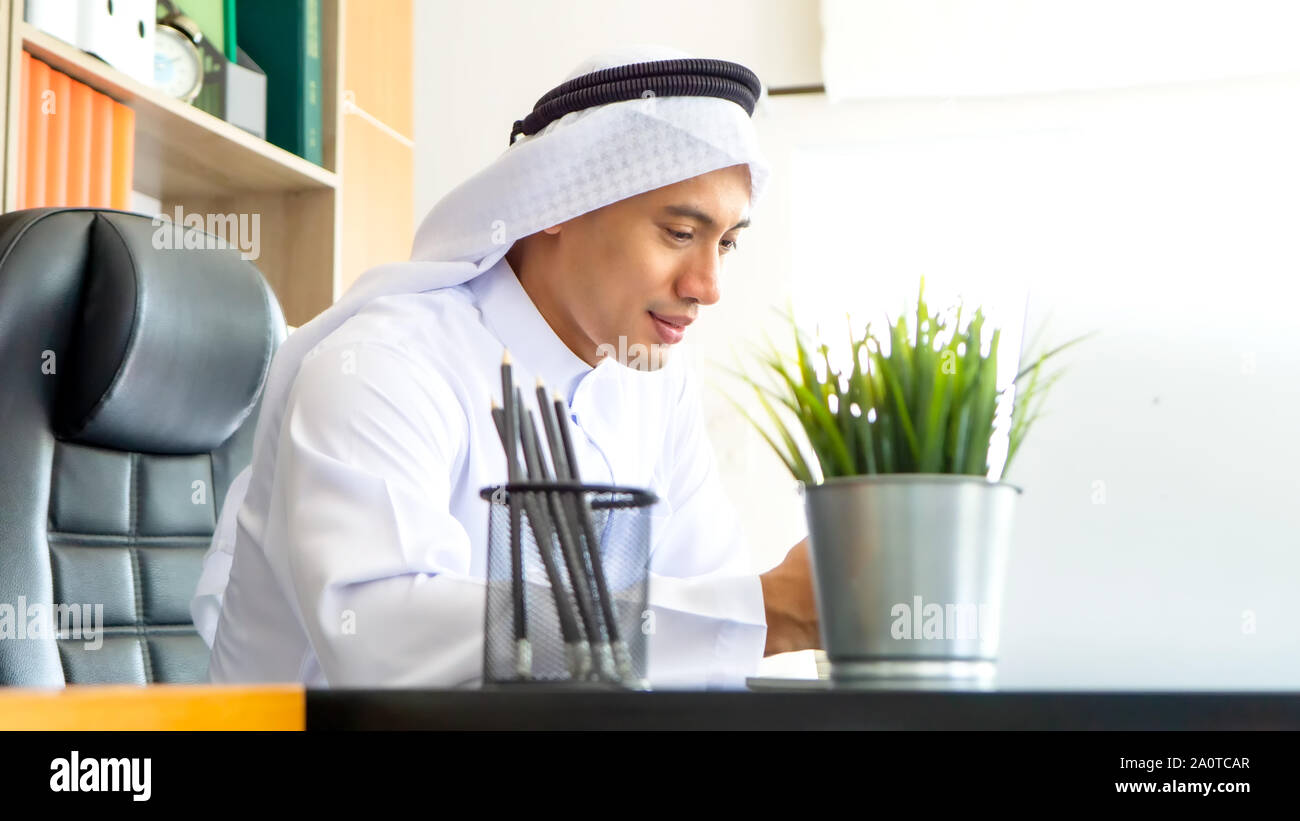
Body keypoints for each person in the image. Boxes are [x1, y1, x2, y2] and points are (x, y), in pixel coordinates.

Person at [191, 44, 819, 689]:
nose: (708, 286)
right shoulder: (384, 364)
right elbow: (382, 636)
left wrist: (771, 619)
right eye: (680, 234)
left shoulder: (655, 390)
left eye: (729, 243)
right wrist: (768, 611)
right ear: (561, 203)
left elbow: (705, 624)